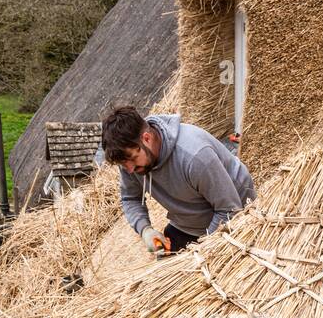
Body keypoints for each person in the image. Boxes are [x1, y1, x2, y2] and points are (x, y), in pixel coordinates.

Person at [102, 104, 256, 254]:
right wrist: (145, 230)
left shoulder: (195, 156)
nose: (129, 170)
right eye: (123, 164)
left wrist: (204, 248)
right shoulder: (129, 161)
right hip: (190, 222)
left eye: (133, 159)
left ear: (147, 138)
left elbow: (229, 209)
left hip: (237, 215)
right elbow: (130, 198)